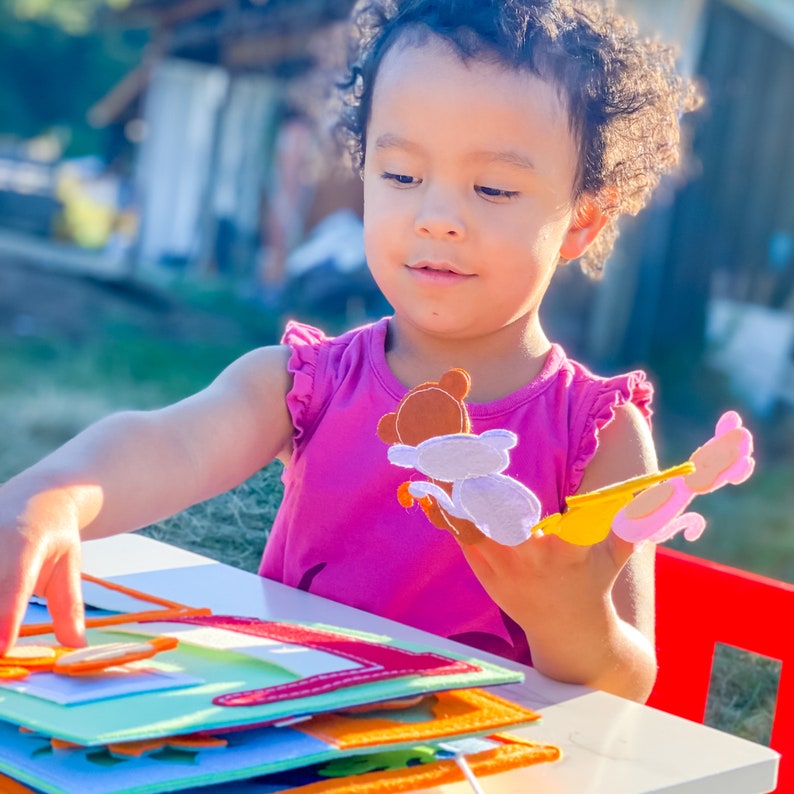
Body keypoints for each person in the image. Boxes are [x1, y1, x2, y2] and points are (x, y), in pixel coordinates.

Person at [0, 0, 700, 703]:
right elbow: (168, 444)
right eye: (400, 175)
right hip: (280, 744)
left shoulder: (599, 436)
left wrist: (573, 623)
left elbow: (628, 686)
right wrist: (47, 498)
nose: (437, 217)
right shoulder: (305, 383)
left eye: (492, 188)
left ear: (582, 220)